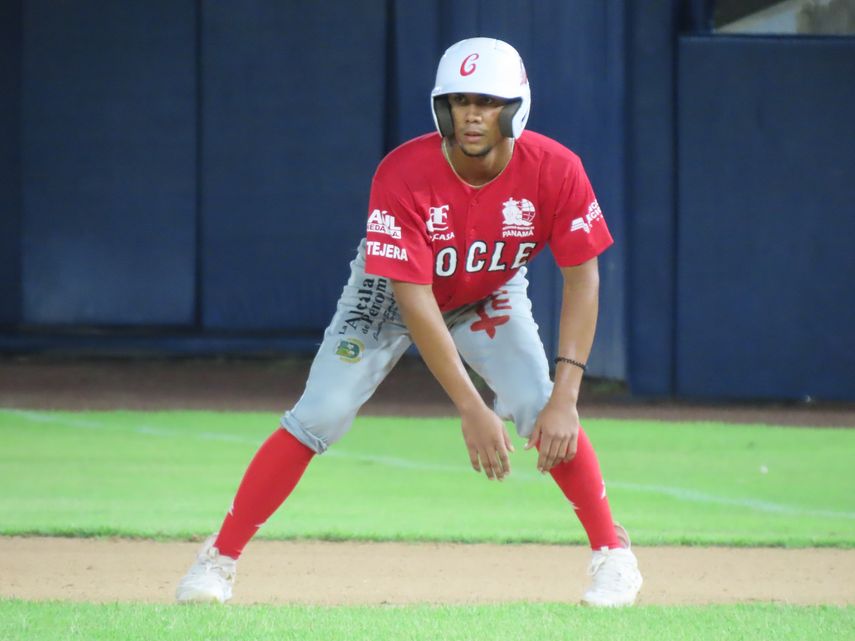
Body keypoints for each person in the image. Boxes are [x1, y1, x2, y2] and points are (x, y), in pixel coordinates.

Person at [176, 37, 643, 607]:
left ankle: (613, 556)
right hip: (393, 295)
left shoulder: (556, 169)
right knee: (319, 413)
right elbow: (415, 299)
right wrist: (472, 406)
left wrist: (567, 395)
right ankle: (217, 559)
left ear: (517, 106)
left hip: (488, 293)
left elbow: (583, 279)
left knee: (537, 401)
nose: (472, 114)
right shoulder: (404, 171)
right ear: (440, 107)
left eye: (489, 101)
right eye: (459, 100)